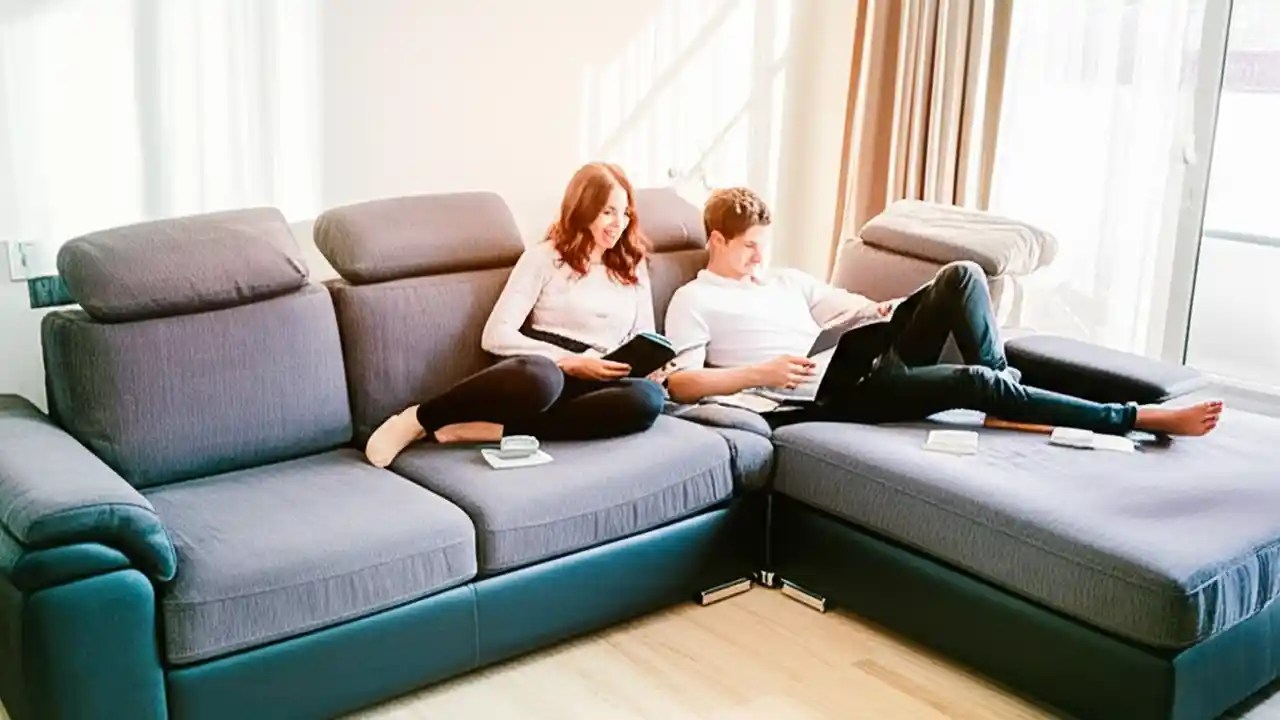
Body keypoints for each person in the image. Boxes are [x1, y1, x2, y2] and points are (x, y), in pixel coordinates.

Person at [661, 186, 1223, 437]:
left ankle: (1004, 395)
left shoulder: (785, 280)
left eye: (764, 242)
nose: (761, 256)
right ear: (715, 240)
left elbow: (850, 308)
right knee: (971, 379)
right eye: (747, 246)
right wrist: (762, 372)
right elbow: (682, 384)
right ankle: (1133, 417)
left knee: (962, 276)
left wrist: (878, 311)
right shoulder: (694, 298)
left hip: (858, 360)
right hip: (829, 398)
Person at [364, 162, 666, 468]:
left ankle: (498, 430)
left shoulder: (633, 267)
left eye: (624, 213)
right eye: (608, 212)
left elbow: (644, 335)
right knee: (541, 379)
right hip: (550, 372)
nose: (619, 223)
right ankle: (418, 418)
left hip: (602, 377)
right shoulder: (543, 259)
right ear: (583, 209)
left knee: (648, 399)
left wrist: (649, 366)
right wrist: (568, 361)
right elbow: (495, 335)